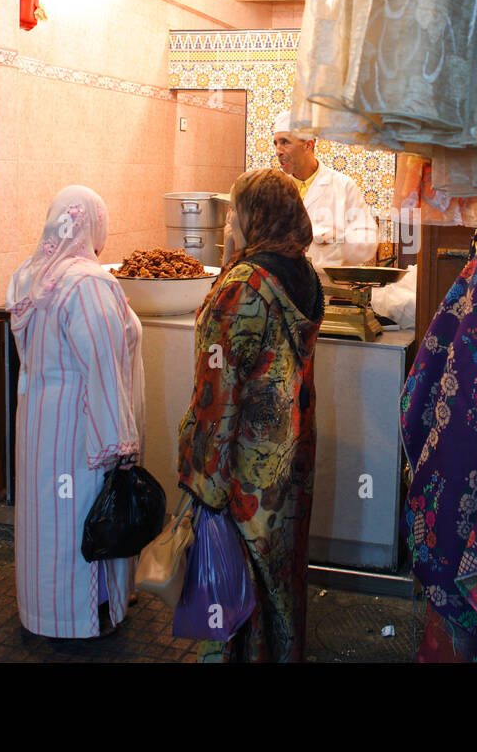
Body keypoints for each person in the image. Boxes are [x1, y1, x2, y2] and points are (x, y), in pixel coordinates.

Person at [178, 168, 325, 662]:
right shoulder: (302, 273)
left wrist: (203, 474)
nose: (228, 225)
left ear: (253, 217)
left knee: (235, 575)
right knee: (279, 569)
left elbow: (217, 391)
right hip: (290, 448)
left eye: (234, 215)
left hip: (241, 461)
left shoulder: (244, 285)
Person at [5, 185, 144, 640]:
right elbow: (102, 368)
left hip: (40, 426)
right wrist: (119, 445)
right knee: (85, 524)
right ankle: (84, 618)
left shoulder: (29, 274)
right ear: (94, 226)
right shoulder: (88, 283)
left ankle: (42, 612)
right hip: (82, 433)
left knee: (46, 524)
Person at [271, 110, 378, 268]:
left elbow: (368, 242)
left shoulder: (343, 186)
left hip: (330, 287)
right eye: (276, 143)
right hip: (283, 285)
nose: (278, 151)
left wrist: (339, 239)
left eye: (285, 142)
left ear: (308, 144)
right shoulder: (273, 188)